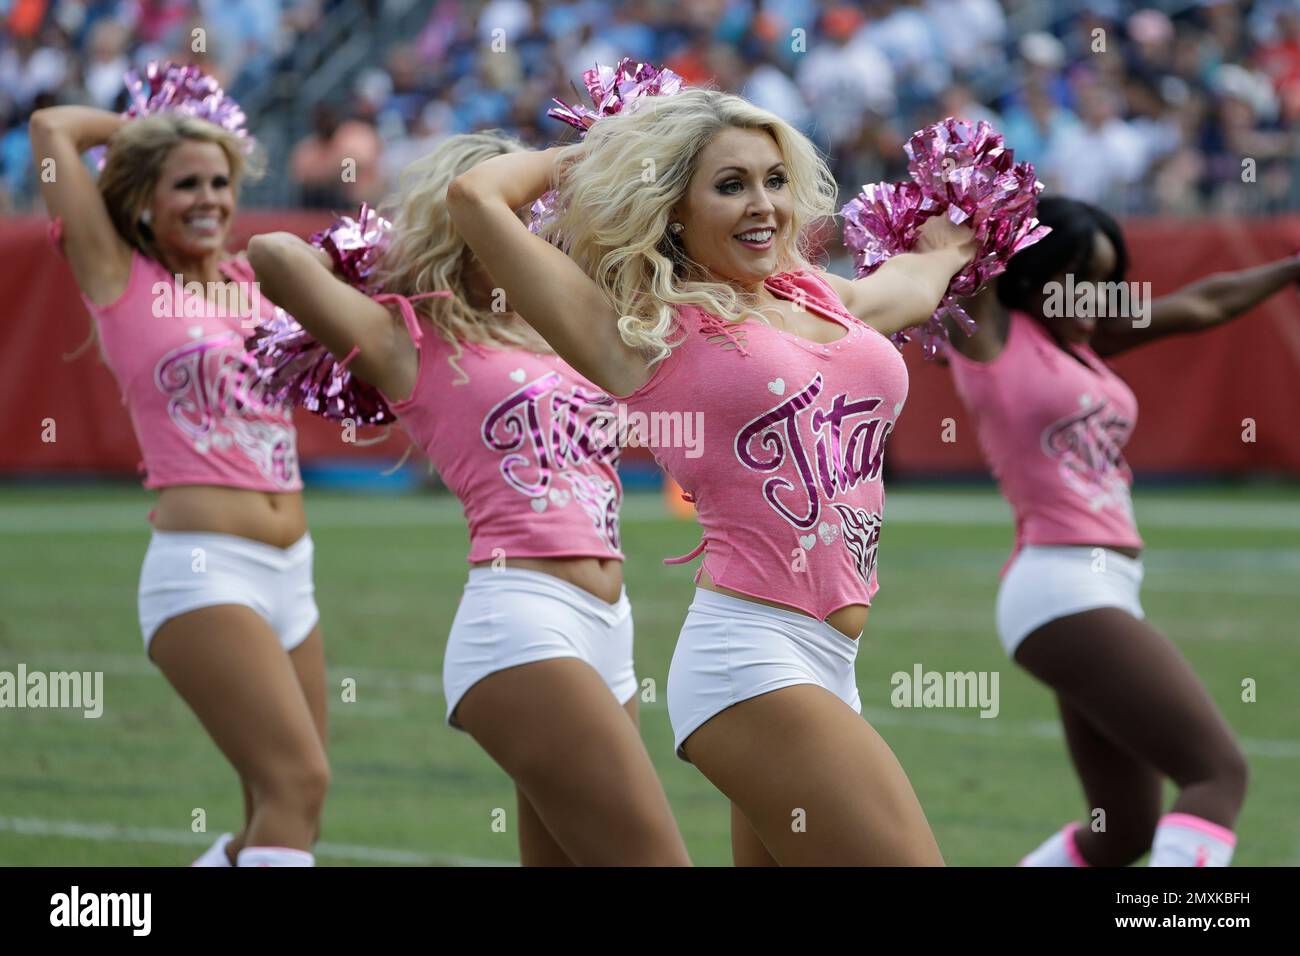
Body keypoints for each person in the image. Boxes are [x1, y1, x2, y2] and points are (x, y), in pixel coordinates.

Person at [447, 88, 979, 864]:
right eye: (729, 186)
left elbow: (908, 287)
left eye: (773, 179)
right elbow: (475, 197)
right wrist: (601, 154)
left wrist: (955, 241)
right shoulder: (639, 331)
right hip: (751, 657)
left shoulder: (821, 297)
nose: (762, 203)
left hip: (831, 662)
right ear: (673, 207)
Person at [248, 132, 690, 866]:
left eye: (539, 217)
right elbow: (274, 258)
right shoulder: (408, 342)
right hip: (521, 623)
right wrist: (371, 245)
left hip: (610, 626)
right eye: (516, 213)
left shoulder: (569, 323)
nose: (534, 230)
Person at [946, 195, 1300, 866]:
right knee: (1217, 774)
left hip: (1097, 591)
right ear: (1030, 269)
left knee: (1120, 833)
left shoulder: (1086, 340)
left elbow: (1205, 305)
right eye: (1080, 275)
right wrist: (976, 194)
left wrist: (1290, 270)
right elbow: (966, 247)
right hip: (1060, 585)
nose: (1098, 294)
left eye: (1108, 279)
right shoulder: (990, 334)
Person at [31, 105, 328, 867]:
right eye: (185, 183)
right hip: (204, 571)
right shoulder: (117, 274)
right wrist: (152, 127)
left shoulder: (251, 282)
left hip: (294, 571)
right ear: (143, 200)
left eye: (221, 182)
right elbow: (50, 130)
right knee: (298, 781)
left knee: (286, 804)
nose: (208, 198)